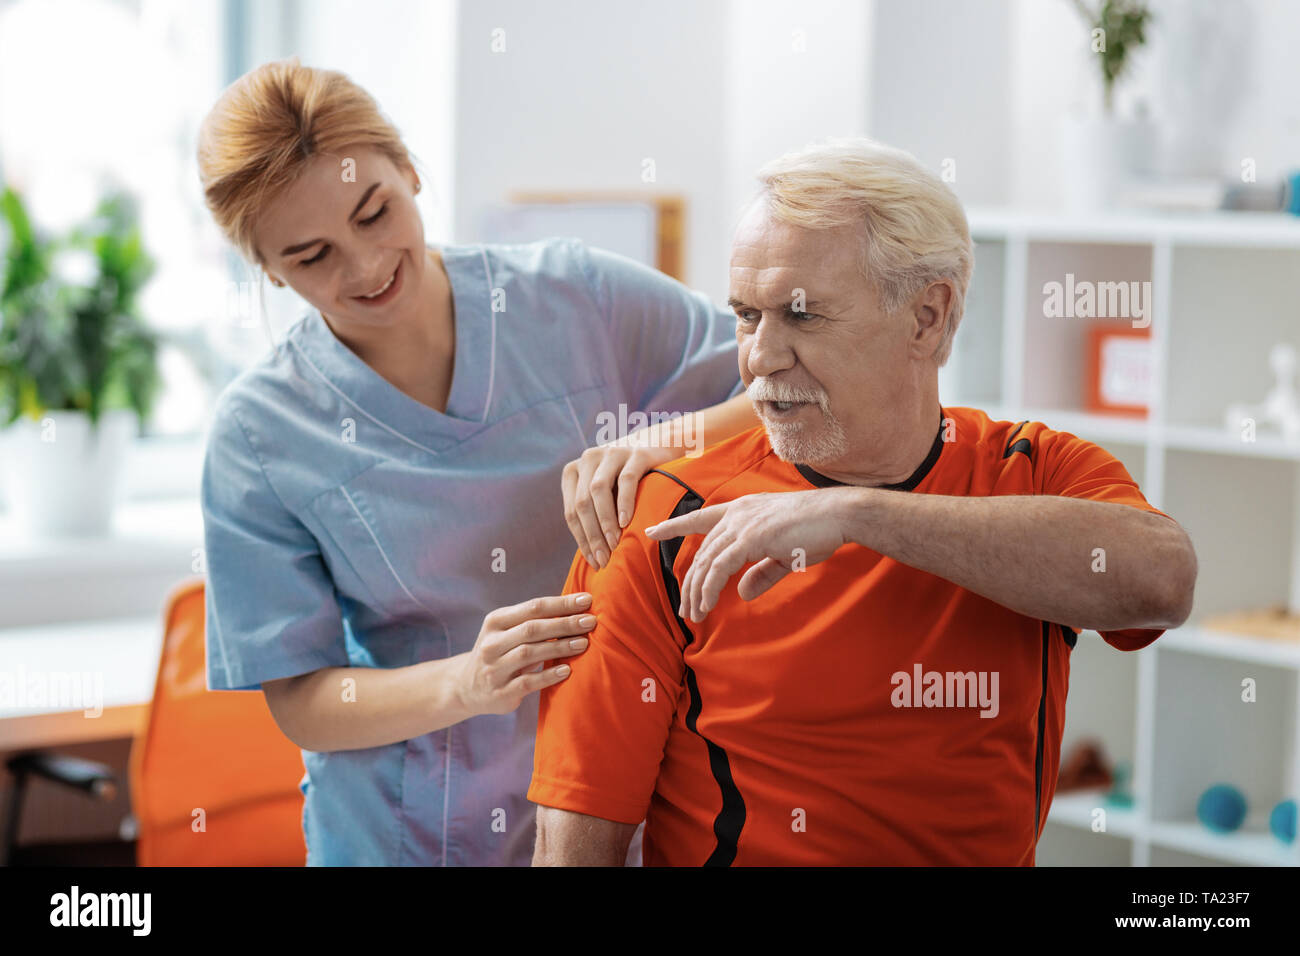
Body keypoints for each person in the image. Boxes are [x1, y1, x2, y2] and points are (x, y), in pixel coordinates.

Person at [528, 137, 1199, 866]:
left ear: (928, 318)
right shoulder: (665, 517)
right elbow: (576, 841)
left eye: (803, 316)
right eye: (748, 316)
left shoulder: (1029, 470)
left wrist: (860, 515)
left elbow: (1161, 582)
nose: (760, 356)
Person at [196, 57, 756, 865]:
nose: (363, 266)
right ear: (267, 269)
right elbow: (302, 700)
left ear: (410, 170)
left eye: (373, 211)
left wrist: (658, 440)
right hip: (408, 835)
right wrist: (467, 682)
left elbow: (785, 383)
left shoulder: (573, 298)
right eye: (311, 256)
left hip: (612, 806)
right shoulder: (259, 435)